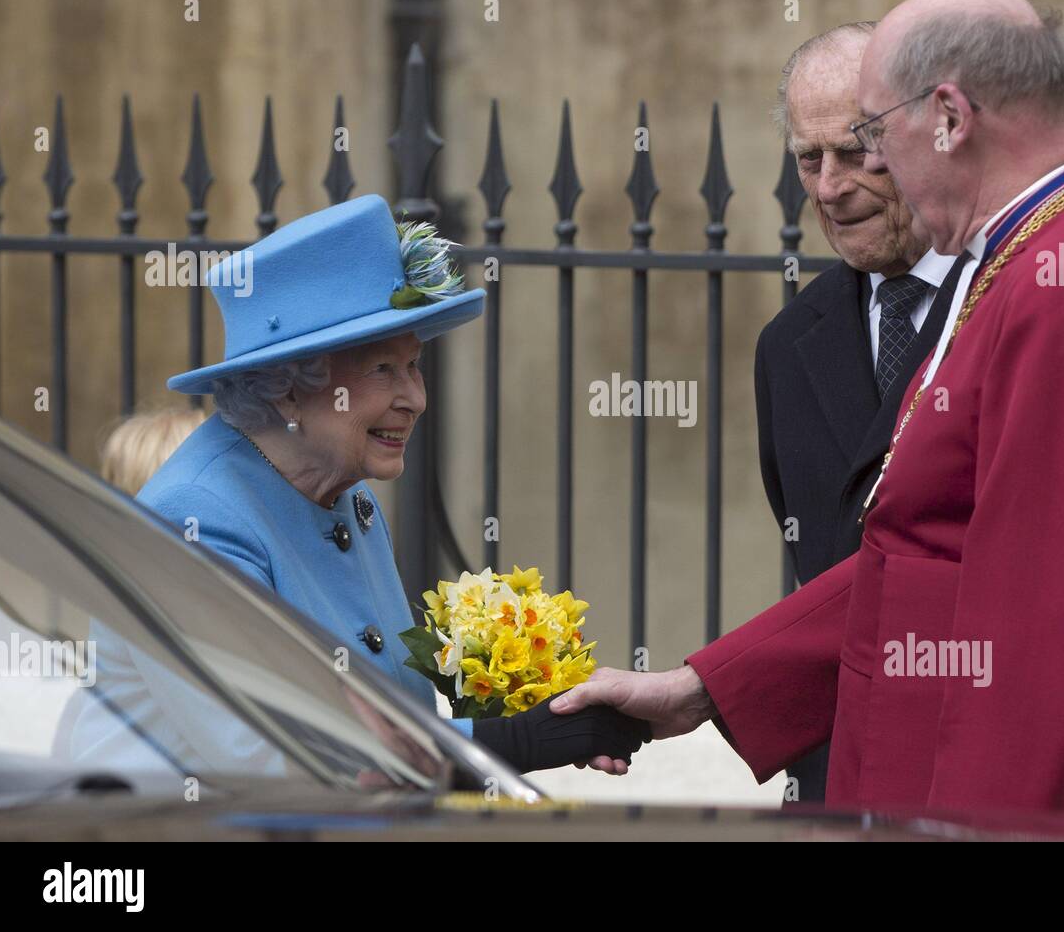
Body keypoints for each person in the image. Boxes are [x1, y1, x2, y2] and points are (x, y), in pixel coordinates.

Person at [556, 0, 1064, 820]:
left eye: (870, 133)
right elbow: (922, 564)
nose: (853, 175)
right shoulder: (1021, 263)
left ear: (948, 116)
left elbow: (1051, 642)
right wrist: (703, 689)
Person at [758, 22, 1064, 802]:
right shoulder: (787, 347)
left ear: (939, 127)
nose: (828, 186)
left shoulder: (1063, 291)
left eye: (857, 150)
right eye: (807, 160)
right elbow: (860, 580)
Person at [76, 195, 647, 777]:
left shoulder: (348, 493)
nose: (416, 399)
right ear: (287, 388)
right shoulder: (196, 515)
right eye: (382, 370)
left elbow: (389, 716)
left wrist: (540, 717)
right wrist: (511, 745)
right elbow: (267, 751)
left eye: (414, 365)